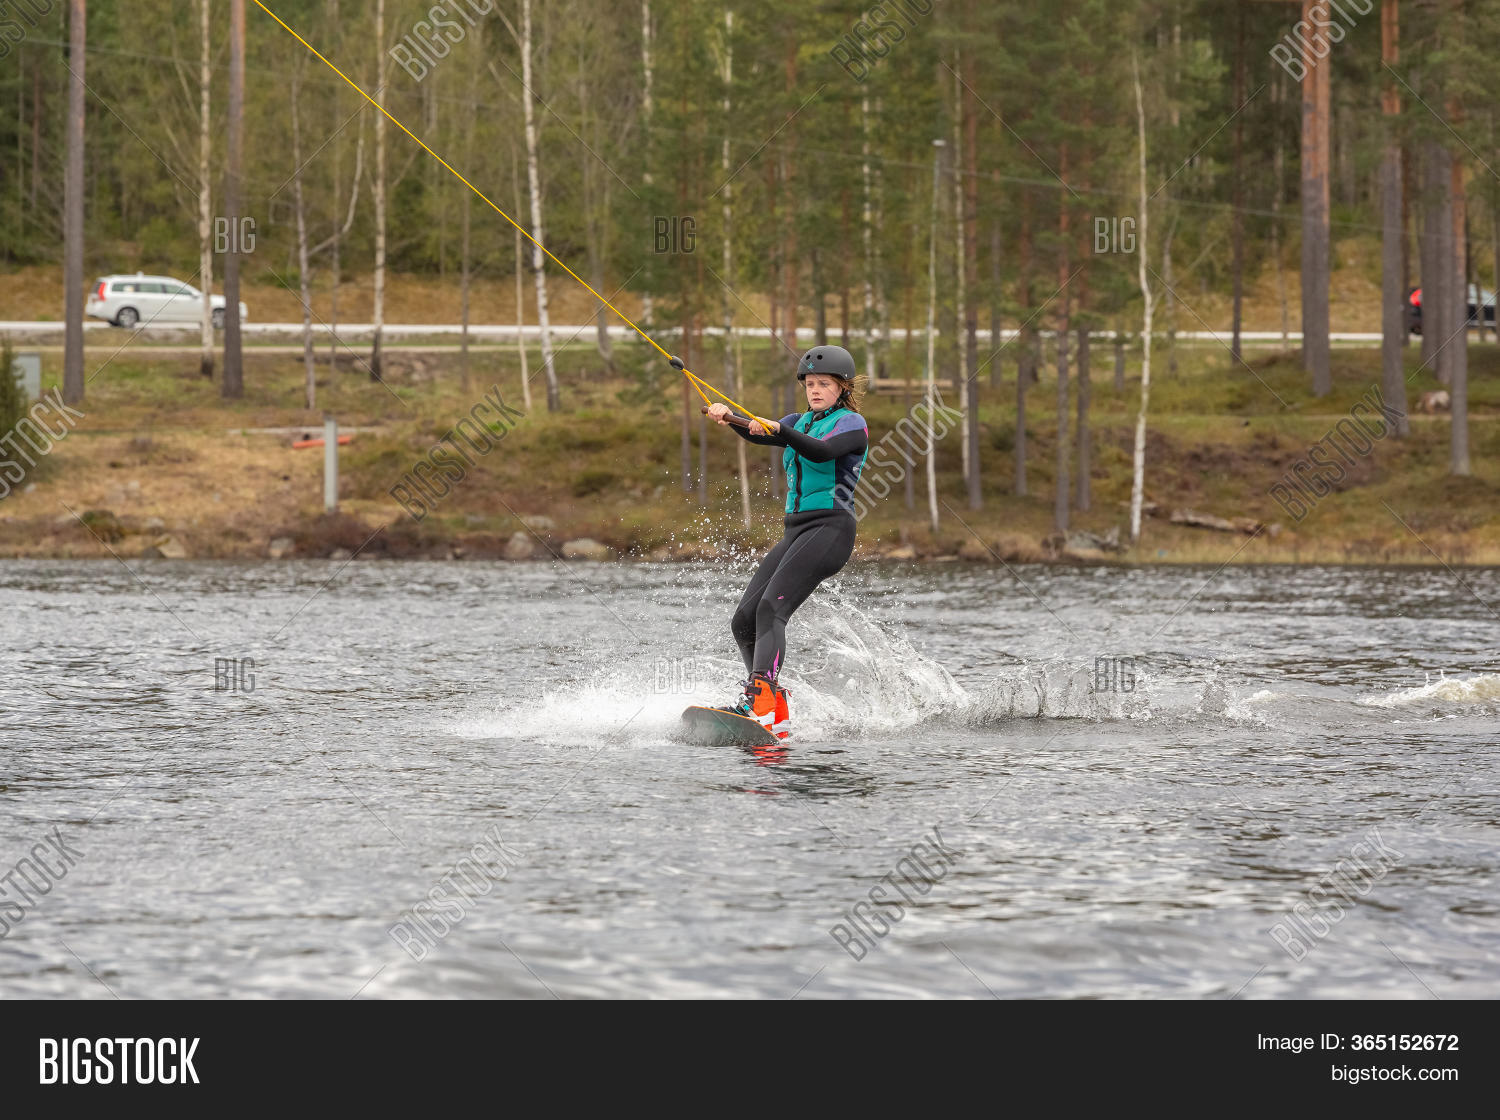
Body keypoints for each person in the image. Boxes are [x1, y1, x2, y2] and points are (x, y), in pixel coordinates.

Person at [704, 344, 869, 739]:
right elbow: (765, 436)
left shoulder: (851, 425)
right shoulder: (799, 421)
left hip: (830, 529)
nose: (814, 390)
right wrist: (730, 419)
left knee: (770, 609)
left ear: (842, 388)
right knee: (743, 619)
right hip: (796, 530)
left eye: (823, 384)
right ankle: (770, 704)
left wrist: (782, 430)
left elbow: (823, 450)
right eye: (810, 384)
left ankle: (759, 698)